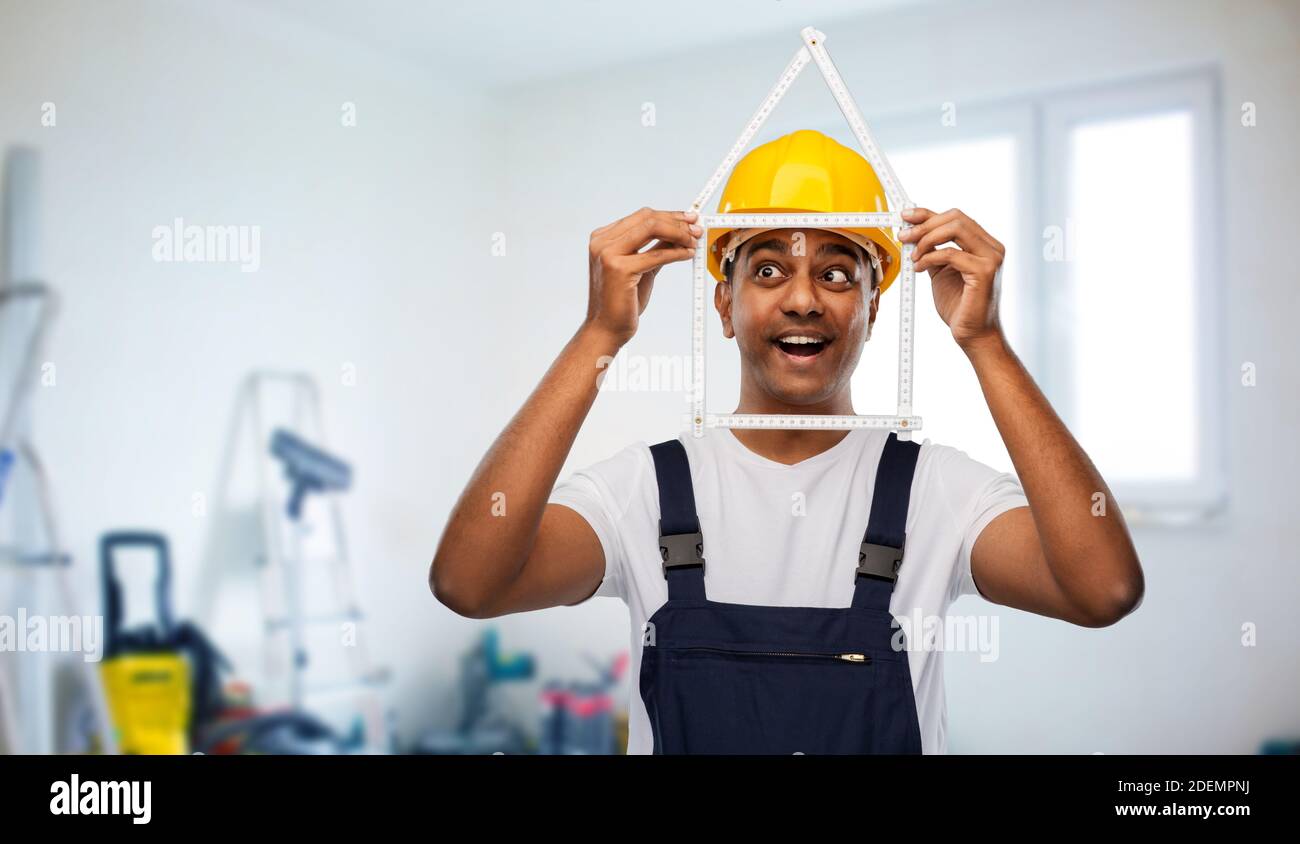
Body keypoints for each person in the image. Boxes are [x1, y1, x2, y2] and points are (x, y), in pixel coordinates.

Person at [430, 129, 1144, 754]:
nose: (803, 299)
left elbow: (1103, 590)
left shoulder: (938, 493)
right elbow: (470, 583)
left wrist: (986, 342)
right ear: (724, 305)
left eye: (837, 273)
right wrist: (599, 335)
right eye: (768, 269)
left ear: (871, 307)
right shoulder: (643, 492)